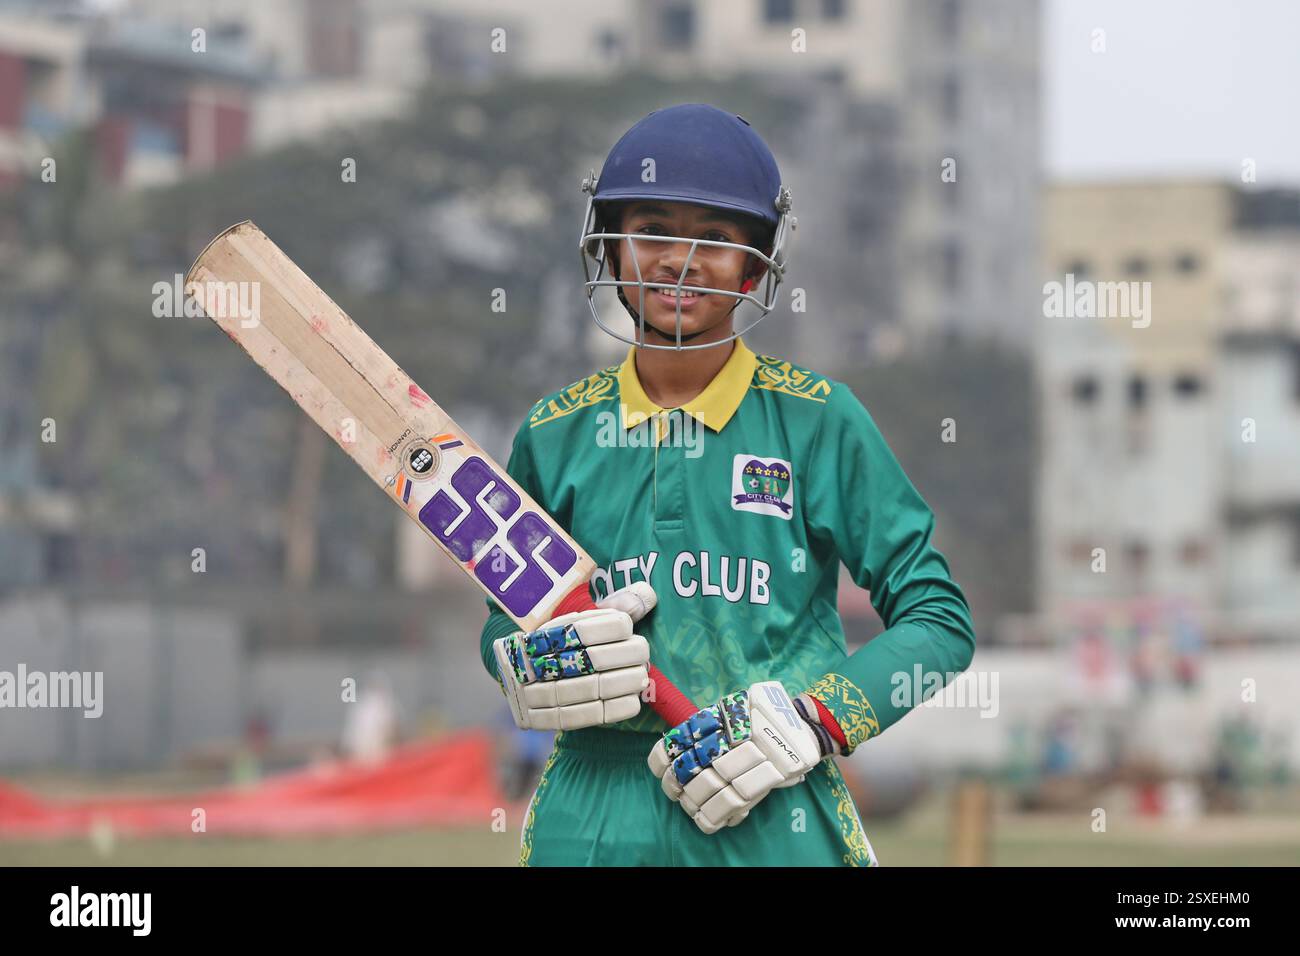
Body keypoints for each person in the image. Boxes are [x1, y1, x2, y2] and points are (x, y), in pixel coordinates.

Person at [479, 104, 975, 866]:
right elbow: (504, 621)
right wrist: (525, 662)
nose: (681, 261)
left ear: (756, 265)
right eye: (652, 231)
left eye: (713, 238)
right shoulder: (554, 433)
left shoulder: (818, 422)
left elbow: (938, 620)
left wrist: (814, 721)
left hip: (770, 793)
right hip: (595, 812)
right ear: (610, 252)